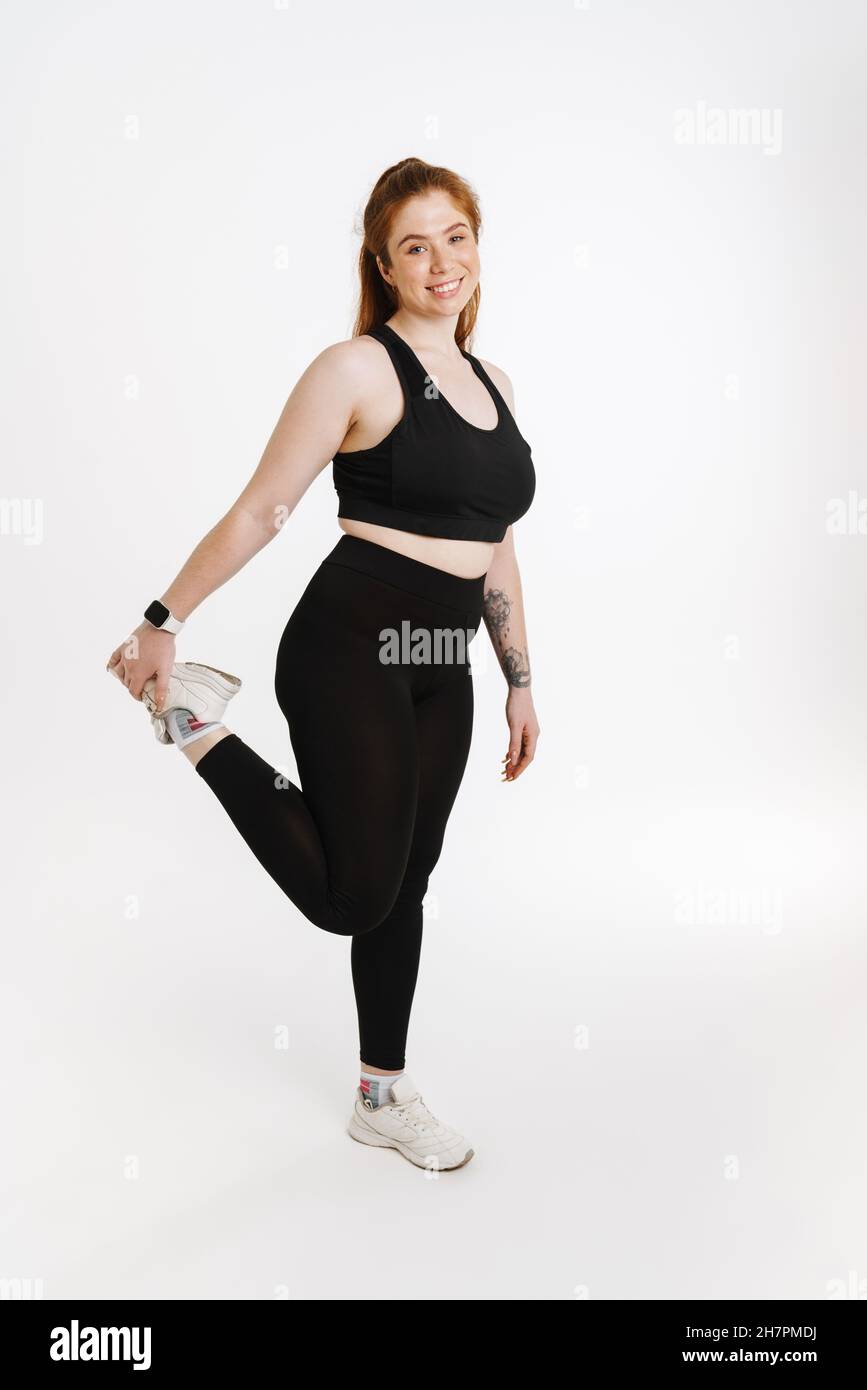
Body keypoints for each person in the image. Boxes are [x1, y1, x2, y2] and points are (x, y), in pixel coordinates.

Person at [106, 156, 539, 1172]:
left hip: (443, 657)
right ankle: (193, 721)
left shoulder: (496, 384)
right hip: (350, 646)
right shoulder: (355, 369)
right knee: (352, 897)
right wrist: (164, 618)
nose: (441, 262)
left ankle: (381, 1095)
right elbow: (265, 508)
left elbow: (495, 542)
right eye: (415, 247)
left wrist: (519, 678)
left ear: (478, 245)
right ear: (384, 267)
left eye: (456, 238)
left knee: (407, 883)